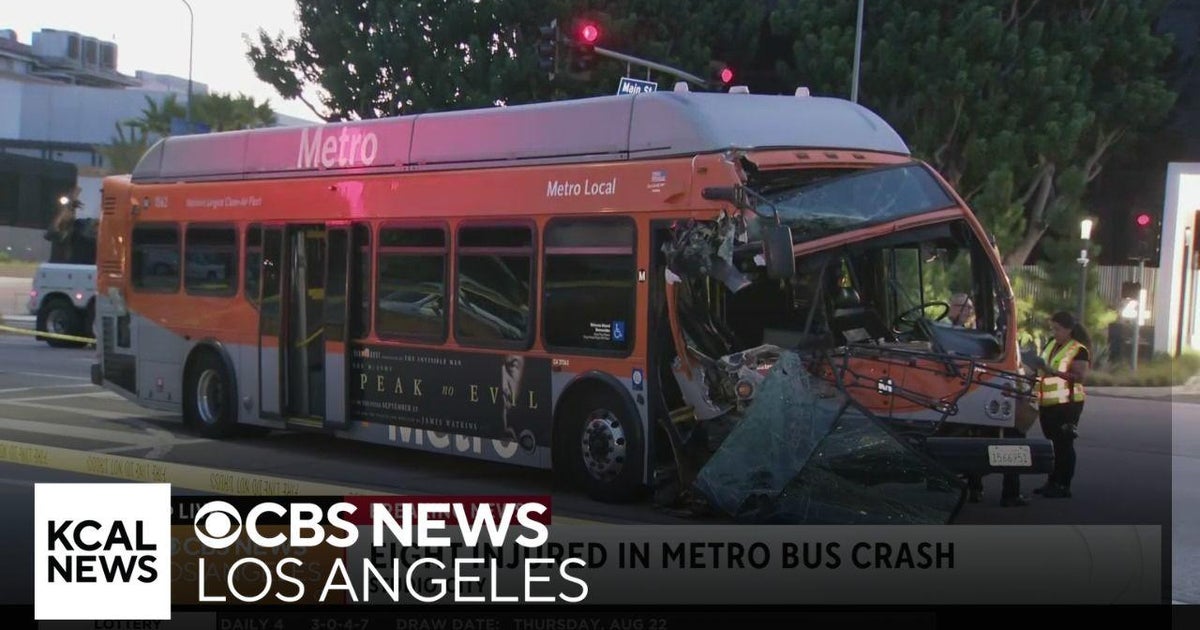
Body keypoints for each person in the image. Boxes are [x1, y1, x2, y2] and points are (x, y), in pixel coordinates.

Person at [951, 292, 1027, 506]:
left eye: (970, 308)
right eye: (964, 307)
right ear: (953, 307)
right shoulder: (944, 332)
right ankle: (1007, 493)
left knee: (976, 440)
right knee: (1011, 440)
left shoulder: (970, 333)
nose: (968, 311)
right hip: (968, 394)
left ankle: (980, 488)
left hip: (976, 392)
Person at [1031, 310, 1091, 498]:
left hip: (1068, 404)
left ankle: (1063, 485)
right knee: (1052, 445)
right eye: (1052, 329)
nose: (1054, 333)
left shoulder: (1078, 350)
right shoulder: (1051, 344)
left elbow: (1080, 377)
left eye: (1057, 329)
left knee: (1064, 444)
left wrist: (1053, 371)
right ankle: (1052, 481)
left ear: (1069, 330)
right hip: (1048, 402)